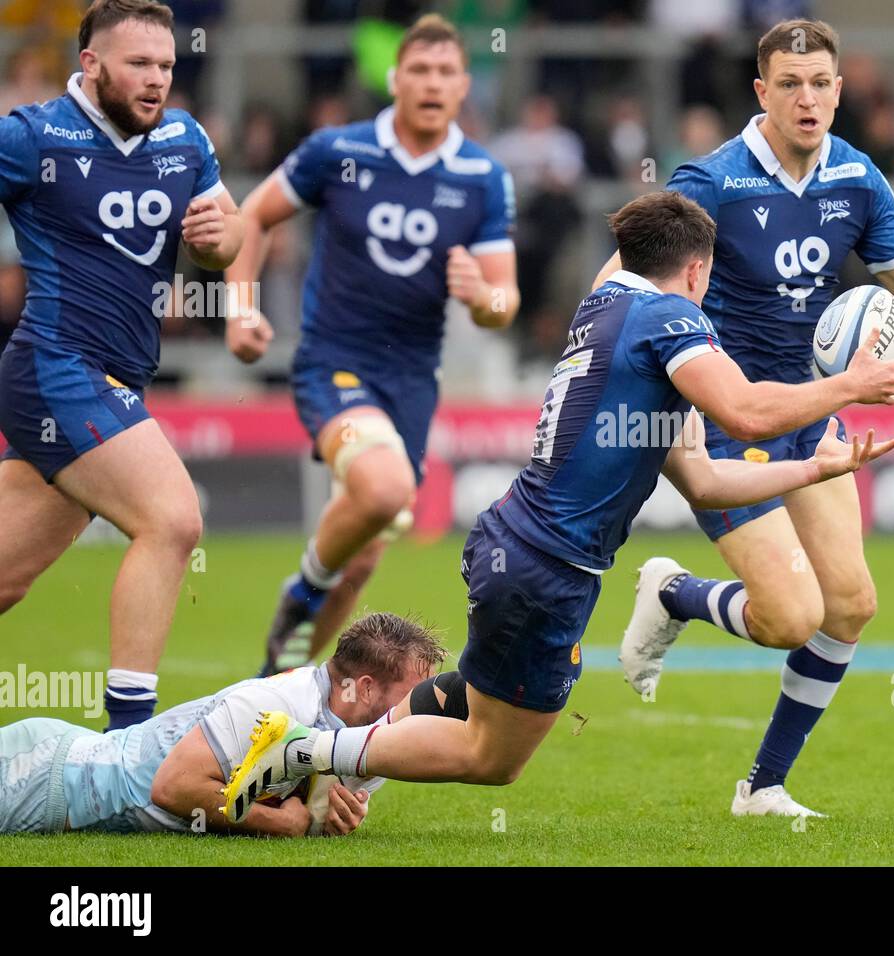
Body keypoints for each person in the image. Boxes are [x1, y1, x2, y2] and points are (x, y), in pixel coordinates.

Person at [216, 189, 894, 822]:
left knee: (479, 691)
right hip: (547, 569)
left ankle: (331, 759)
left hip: (515, 544)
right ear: (698, 270)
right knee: (492, 757)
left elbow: (706, 480)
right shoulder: (672, 322)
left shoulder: (607, 305)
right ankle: (312, 752)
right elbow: (743, 411)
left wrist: (813, 467)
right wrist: (848, 386)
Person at [599, 19, 894, 817]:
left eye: (821, 83)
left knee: (851, 605)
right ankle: (676, 593)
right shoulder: (715, 179)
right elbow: (624, 276)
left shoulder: (858, 177)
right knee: (792, 618)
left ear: (838, 88)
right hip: (726, 413)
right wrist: (600, 354)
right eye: (789, 84)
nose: (808, 98)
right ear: (762, 92)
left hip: (809, 409)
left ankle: (762, 788)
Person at [224, 14, 519, 676]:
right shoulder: (339, 151)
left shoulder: (482, 176)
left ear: (464, 84)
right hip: (335, 362)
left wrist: (481, 298)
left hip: (412, 383)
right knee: (384, 490)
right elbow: (255, 215)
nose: (432, 83)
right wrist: (240, 310)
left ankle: (286, 686)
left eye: (446, 72)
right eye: (419, 69)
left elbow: (506, 301)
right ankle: (299, 591)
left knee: (360, 562)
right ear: (395, 79)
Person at [0, 0, 243, 728]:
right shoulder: (31, 136)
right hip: (56, 365)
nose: (157, 79)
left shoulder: (184, 136)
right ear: (92, 64)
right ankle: (130, 736)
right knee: (173, 520)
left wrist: (217, 237)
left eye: (166, 65)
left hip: (112, 378)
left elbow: (225, 242)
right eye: (139, 63)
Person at [0, 612, 440, 835]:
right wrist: (279, 825)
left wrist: (332, 813)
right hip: (50, 776)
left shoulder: (375, 740)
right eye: (411, 695)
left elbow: (296, 800)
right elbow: (172, 787)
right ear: (363, 688)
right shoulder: (276, 703)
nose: (416, 710)